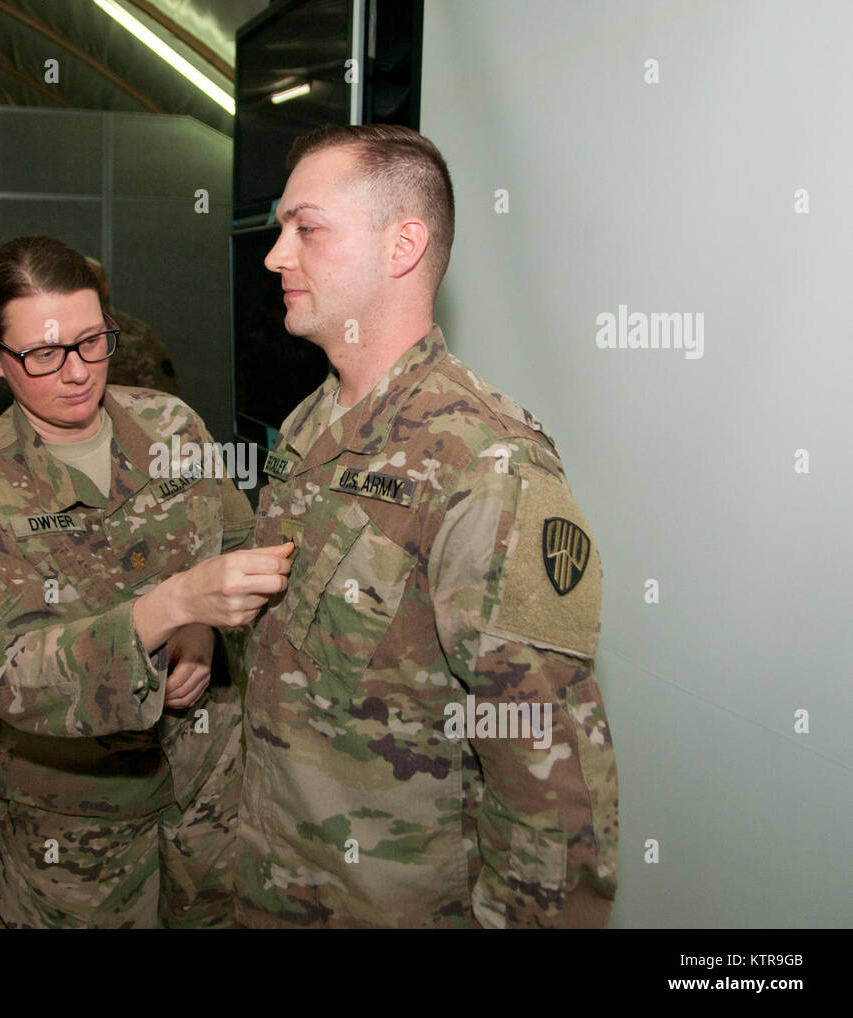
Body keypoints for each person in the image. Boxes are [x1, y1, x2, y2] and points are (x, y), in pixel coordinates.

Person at [236, 124, 618, 928]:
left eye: (306, 228)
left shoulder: (487, 464)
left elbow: (548, 785)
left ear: (402, 244)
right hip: (278, 884)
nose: (275, 255)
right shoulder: (308, 425)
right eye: (280, 229)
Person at [0, 235, 290, 927]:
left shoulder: (172, 426)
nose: (77, 373)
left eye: (94, 341)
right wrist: (169, 605)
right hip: (77, 816)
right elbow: (7, 670)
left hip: (208, 783)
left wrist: (203, 629)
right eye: (43, 353)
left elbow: (241, 545)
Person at [84, 256, 178, 394]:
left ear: (106, 287)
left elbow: (161, 394)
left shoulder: (138, 336)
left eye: (93, 282)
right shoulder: (54, 331)